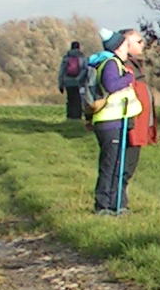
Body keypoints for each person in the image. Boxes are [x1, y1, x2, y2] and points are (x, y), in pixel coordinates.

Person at [89, 28, 147, 214]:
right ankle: (102, 205)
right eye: (123, 45)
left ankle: (115, 204)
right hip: (111, 121)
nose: (125, 48)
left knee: (115, 165)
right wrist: (128, 77)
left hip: (115, 121)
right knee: (109, 165)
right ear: (117, 47)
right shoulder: (111, 63)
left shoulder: (111, 62)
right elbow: (112, 85)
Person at [58, 40, 87, 120]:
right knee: (78, 100)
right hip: (79, 82)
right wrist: (81, 79)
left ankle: (70, 116)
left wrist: (61, 84)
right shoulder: (82, 57)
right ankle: (77, 116)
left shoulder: (66, 57)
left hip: (68, 82)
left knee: (70, 99)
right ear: (79, 47)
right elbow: (85, 69)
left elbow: (61, 71)